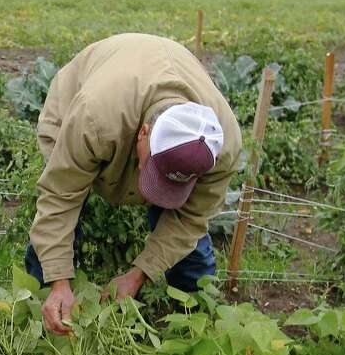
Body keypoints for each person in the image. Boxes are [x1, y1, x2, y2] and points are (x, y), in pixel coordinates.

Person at [26, 33, 242, 336]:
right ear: (143, 133)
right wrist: (59, 280)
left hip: (140, 91)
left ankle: (194, 321)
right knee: (68, 207)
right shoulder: (94, 117)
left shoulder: (222, 146)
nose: (152, 189)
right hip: (83, 102)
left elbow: (191, 217)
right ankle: (45, 301)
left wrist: (139, 274)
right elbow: (61, 196)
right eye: (154, 171)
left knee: (186, 233)